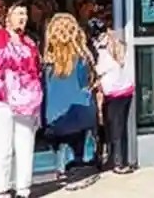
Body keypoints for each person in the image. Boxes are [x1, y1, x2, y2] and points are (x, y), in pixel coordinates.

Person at [0, 0, 44, 198]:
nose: (22, 18)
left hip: (26, 103)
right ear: (8, 17)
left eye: (25, 14)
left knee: (25, 146)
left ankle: (23, 189)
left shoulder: (31, 42)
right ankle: (2, 190)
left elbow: (37, 72)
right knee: (1, 149)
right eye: (18, 13)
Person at [43, 12, 101, 191]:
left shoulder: (48, 63)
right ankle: (78, 169)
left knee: (61, 144)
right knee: (80, 144)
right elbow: (86, 84)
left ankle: (62, 170)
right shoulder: (82, 59)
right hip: (80, 114)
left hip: (54, 116)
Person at [91, 17, 134, 174]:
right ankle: (117, 160)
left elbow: (98, 69)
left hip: (115, 93)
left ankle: (118, 162)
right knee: (117, 128)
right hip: (123, 90)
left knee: (113, 128)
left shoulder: (103, 50)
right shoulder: (115, 43)